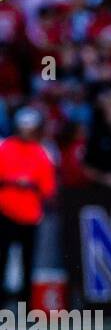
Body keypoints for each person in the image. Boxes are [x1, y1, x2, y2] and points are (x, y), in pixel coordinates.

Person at [0, 108, 56, 306]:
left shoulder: (41, 153)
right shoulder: (5, 148)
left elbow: (48, 189)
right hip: (5, 213)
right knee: (2, 260)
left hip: (30, 215)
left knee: (28, 261)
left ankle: (26, 305)